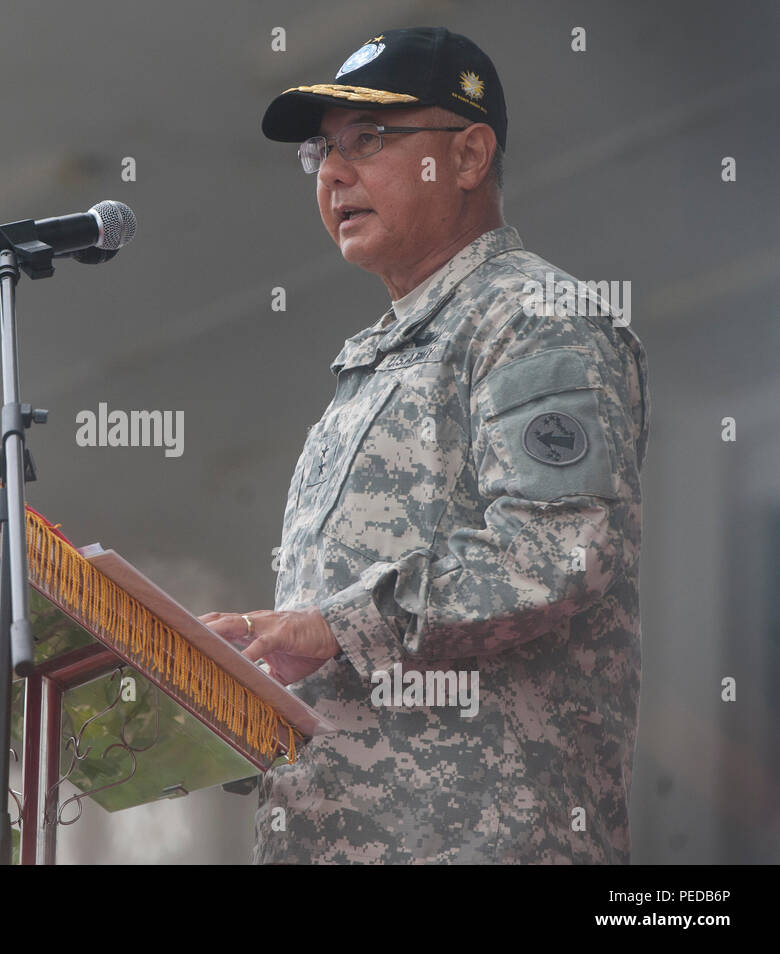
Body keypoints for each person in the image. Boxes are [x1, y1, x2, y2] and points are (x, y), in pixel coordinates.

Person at [199, 26, 650, 863]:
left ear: (471, 155)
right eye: (323, 151)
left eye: (368, 140)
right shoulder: (381, 356)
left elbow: (557, 552)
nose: (334, 173)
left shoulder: (531, 317)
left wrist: (335, 626)